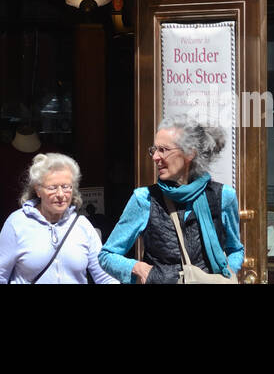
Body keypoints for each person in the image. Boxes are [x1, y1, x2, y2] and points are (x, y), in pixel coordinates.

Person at [99, 121, 244, 284]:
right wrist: (137, 267)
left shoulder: (223, 196)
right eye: (154, 150)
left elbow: (235, 249)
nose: (155, 157)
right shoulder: (144, 198)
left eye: (164, 150)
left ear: (190, 154)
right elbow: (107, 255)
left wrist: (226, 274)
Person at [0, 152, 119, 284]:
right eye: (52, 188)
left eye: (66, 187)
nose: (60, 194)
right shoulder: (17, 223)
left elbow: (105, 276)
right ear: (38, 190)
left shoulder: (82, 225)